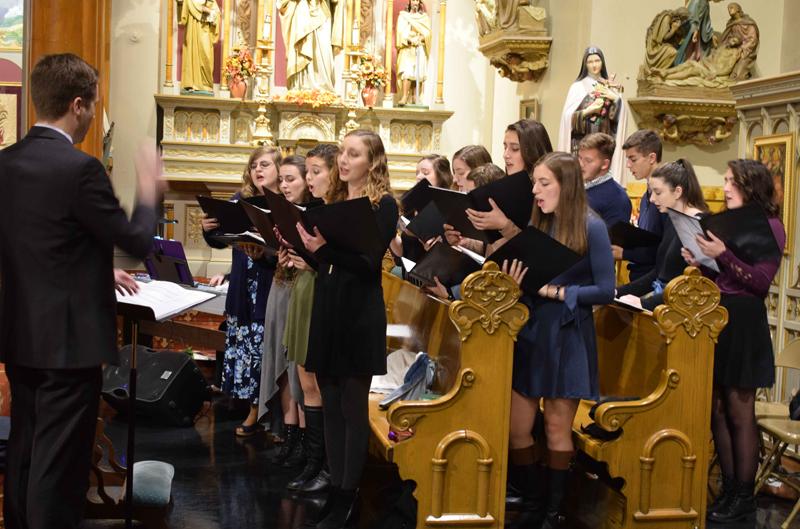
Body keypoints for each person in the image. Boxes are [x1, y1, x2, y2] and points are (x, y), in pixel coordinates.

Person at [0, 53, 162, 529]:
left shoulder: (5, 163)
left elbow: (40, 242)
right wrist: (150, 191)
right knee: (59, 467)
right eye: (93, 105)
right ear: (77, 105)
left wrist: (92, 268)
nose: (93, 115)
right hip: (68, 345)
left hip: (19, 333)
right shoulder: (80, 169)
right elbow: (134, 242)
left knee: (27, 451)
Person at [499, 152, 615, 529]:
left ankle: (554, 511)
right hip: (533, 329)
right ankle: (533, 499)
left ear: (566, 185)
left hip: (567, 332)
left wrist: (564, 294)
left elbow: (606, 289)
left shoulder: (591, 225)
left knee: (555, 429)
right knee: (518, 428)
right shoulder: (540, 223)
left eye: (543, 183)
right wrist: (517, 285)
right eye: (535, 183)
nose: (535, 191)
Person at [298, 129, 398, 528]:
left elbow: (370, 262)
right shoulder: (333, 201)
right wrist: (306, 247)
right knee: (331, 403)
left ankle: (349, 494)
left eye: (352, 154)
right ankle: (336, 490)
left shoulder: (384, 205)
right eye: (342, 152)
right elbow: (330, 262)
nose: (343, 160)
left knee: (352, 409)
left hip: (360, 312)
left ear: (371, 162)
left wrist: (325, 251)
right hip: (329, 307)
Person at [681, 160, 785, 523]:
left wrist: (721, 254)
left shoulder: (770, 226)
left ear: (750, 186)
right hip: (718, 319)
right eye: (725, 180)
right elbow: (727, 275)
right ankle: (727, 488)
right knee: (718, 410)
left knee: (741, 414)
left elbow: (758, 282)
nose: (724, 188)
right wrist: (700, 262)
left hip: (744, 324)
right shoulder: (724, 221)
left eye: (731, 182)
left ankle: (744, 496)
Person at [203, 146, 281, 437]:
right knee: (244, 348)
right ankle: (249, 405)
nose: (258, 170)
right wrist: (209, 228)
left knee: (263, 349)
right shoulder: (240, 200)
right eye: (253, 166)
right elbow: (221, 241)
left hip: (268, 282)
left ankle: (265, 410)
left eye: (265, 165)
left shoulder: (282, 203)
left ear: (278, 169)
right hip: (242, 286)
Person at [284, 144, 338, 494]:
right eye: (309, 172)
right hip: (304, 288)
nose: (309, 178)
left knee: (317, 383)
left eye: (316, 171)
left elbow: (340, 264)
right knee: (305, 382)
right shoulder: (313, 209)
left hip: (322, 292)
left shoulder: (337, 212)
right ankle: (311, 461)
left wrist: (314, 261)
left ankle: (324, 466)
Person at [258, 155, 310, 468]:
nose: (285, 185)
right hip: (281, 285)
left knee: (297, 366)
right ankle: (288, 432)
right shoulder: (279, 212)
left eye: (292, 179)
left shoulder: (313, 214)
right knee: (280, 360)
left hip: (302, 289)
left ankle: (303, 440)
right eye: (283, 180)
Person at [616, 159, 708, 311]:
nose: (652, 199)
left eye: (658, 192)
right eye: (652, 193)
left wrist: (645, 304)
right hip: (664, 304)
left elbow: (692, 285)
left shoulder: (697, 225)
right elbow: (659, 273)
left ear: (678, 191)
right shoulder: (673, 220)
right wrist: (619, 292)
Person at [557, 47, 626, 181]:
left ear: (602, 62)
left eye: (597, 61)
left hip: (603, 141)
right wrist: (590, 110)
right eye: (590, 62)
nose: (594, 65)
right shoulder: (577, 87)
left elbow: (617, 117)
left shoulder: (608, 85)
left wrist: (615, 98)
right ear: (585, 64)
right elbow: (568, 118)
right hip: (581, 143)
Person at [615, 130, 667, 281]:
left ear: (651, 158)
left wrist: (625, 253)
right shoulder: (646, 196)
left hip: (654, 281)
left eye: (633, 159)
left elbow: (664, 251)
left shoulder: (665, 198)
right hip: (640, 276)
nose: (628, 165)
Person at [577, 132, 631, 228]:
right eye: (580, 158)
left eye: (588, 160)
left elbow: (613, 241)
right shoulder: (577, 186)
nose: (580, 164)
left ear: (604, 164)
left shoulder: (618, 199)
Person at [278, 0, 335, 91]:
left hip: (322, 11)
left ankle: (322, 87)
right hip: (302, 10)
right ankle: (301, 85)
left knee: (322, 50)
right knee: (303, 45)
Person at [178, 0, 222, 93]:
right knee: (191, 54)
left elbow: (217, 14)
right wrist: (180, 4)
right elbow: (182, 20)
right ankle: (190, 83)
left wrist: (210, 12)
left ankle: (206, 85)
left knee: (206, 55)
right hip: (192, 31)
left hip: (205, 31)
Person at [396, 0, 431, 106]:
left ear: (419, 3)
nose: (415, 2)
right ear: (410, 2)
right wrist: (410, 39)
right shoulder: (403, 16)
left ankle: (415, 97)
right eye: (413, 0)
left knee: (418, 73)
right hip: (408, 47)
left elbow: (428, 32)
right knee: (407, 72)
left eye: (417, 0)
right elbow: (400, 32)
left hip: (419, 47)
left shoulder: (424, 18)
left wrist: (422, 37)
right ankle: (405, 96)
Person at [719, 2, 759, 81]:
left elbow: (753, 40)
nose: (729, 10)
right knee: (721, 61)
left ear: (738, 9)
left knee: (736, 75)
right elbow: (727, 38)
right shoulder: (731, 24)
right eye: (728, 8)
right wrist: (730, 42)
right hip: (734, 50)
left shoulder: (748, 23)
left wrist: (742, 48)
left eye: (731, 8)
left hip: (746, 52)